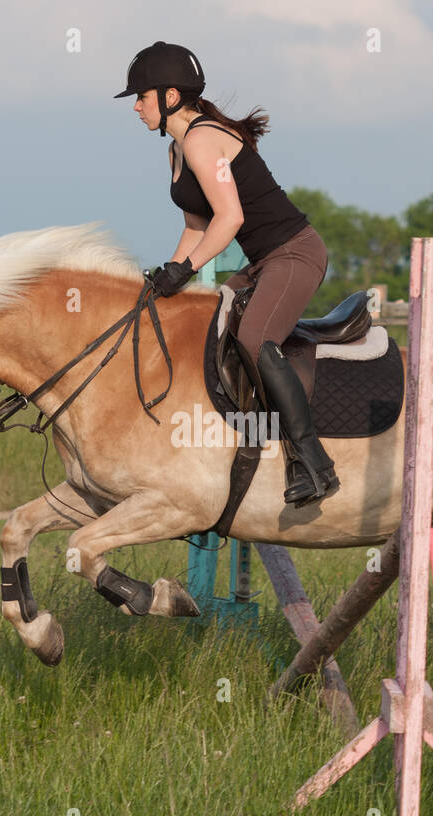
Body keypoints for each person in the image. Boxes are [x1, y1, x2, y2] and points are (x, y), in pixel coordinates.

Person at [114, 41, 338, 507]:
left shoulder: (201, 139)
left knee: (255, 338)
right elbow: (196, 226)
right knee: (206, 326)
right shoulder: (177, 150)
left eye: (141, 96)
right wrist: (167, 279)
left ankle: (313, 460)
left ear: (170, 96)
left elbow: (230, 218)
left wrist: (186, 269)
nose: (136, 107)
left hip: (295, 254)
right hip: (261, 263)